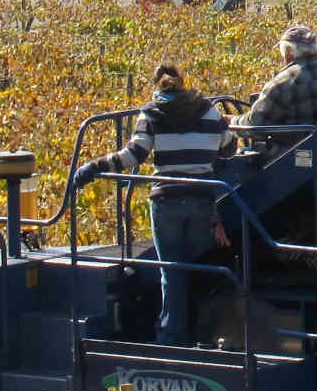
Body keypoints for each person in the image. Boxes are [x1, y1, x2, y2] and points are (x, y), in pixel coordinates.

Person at [68, 63, 235, 345]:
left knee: (170, 270)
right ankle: (199, 332)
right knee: (197, 267)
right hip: (203, 199)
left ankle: (171, 336)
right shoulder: (208, 110)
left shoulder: (151, 112)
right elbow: (229, 148)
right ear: (183, 82)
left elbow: (134, 155)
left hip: (166, 201)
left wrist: (94, 166)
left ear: (156, 84)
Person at [240, 24, 317, 128]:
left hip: (293, 151)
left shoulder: (283, 83)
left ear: (288, 52)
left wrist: (232, 121)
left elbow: (255, 125)